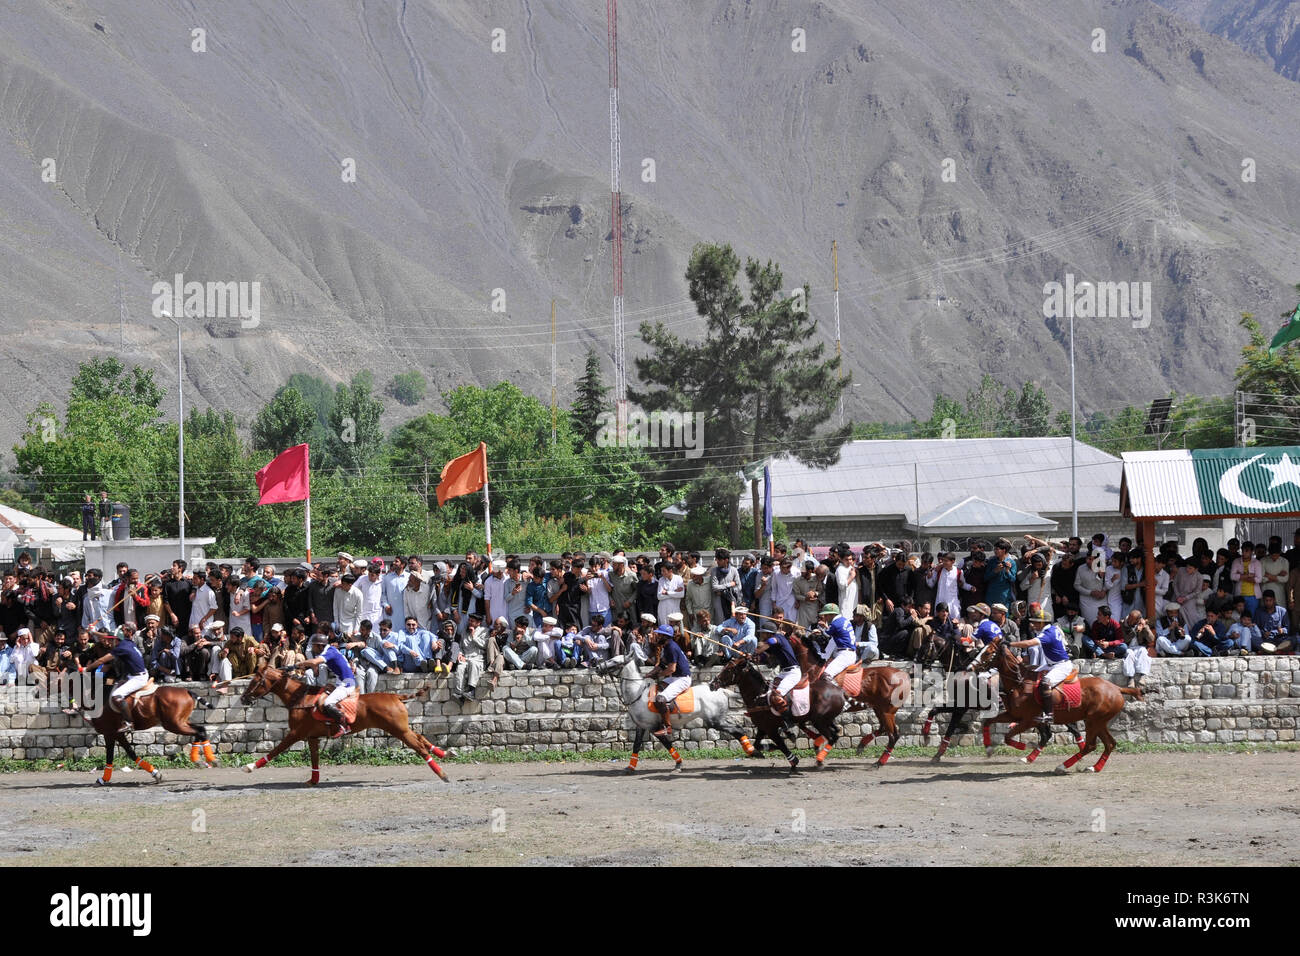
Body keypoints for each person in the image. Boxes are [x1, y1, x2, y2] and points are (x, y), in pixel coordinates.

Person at [1009, 607, 1073, 726]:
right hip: (1050, 664)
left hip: (1061, 666)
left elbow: (1028, 644)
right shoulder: (1052, 629)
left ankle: (1049, 715)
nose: (1033, 624)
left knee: (1045, 683)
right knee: (1029, 674)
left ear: (1043, 623)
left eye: (1035, 622)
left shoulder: (1048, 633)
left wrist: (1010, 643)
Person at [289, 633, 358, 736]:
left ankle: (344, 726)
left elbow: (315, 662)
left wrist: (298, 665)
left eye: (314, 645)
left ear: (320, 646)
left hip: (347, 684)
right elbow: (316, 664)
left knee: (327, 703)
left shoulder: (329, 652)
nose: (312, 648)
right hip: (340, 682)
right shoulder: (328, 650)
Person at [82, 628, 149, 726]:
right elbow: (105, 635)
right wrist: (92, 632)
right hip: (134, 674)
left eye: (111, 639)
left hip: (137, 678)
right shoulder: (127, 641)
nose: (108, 641)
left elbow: (101, 661)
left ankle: (129, 721)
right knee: (106, 687)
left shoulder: (120, 648)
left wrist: (86, 669)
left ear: (116, 640)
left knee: (116, 695)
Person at [755, 626, 801, 731]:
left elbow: (770, 642)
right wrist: (755, 657)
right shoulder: (772, 644)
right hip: (783, 673)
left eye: (763, 633)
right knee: (767, 693)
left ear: (769, 633)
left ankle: (789, 721)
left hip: (793, 673)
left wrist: (757, 651)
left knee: (777, 695)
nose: (761, 635)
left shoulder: (778, 637)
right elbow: (765, 656)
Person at [648, 624, 691, 736]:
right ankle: (665, 712)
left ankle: (668, 727)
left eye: (659, 634)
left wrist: (659, 675)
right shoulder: (667, 646)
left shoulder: (671, 647)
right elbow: (662, 664)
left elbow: (672, 669)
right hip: (676, 678)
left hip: (682, 679)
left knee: (660, 699)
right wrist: (649, 674)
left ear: (665, 637)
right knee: (657, 687)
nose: (657, 636)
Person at [811, 603, 857, 681]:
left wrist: (816, 633)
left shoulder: (835, 624)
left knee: (825, 676)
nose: (825, 618)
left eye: (826, 615)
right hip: (847, 653)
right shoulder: (844, 620)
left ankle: (840, 692)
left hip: (845, 655)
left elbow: (825, 636)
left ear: (832, 615)